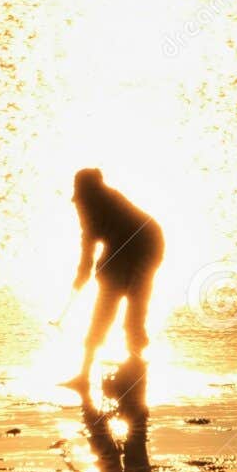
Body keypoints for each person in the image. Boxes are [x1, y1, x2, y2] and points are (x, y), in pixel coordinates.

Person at [69, 168, 164, 402]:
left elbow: (89, 240)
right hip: (127, 247)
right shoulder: (89, 200)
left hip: (147, 245)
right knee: (110, 297)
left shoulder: (99, 201)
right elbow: (88, 238)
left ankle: (134, 366)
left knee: (129, 304)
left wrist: (84, 271)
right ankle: (84, 374)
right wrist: (86, 271)